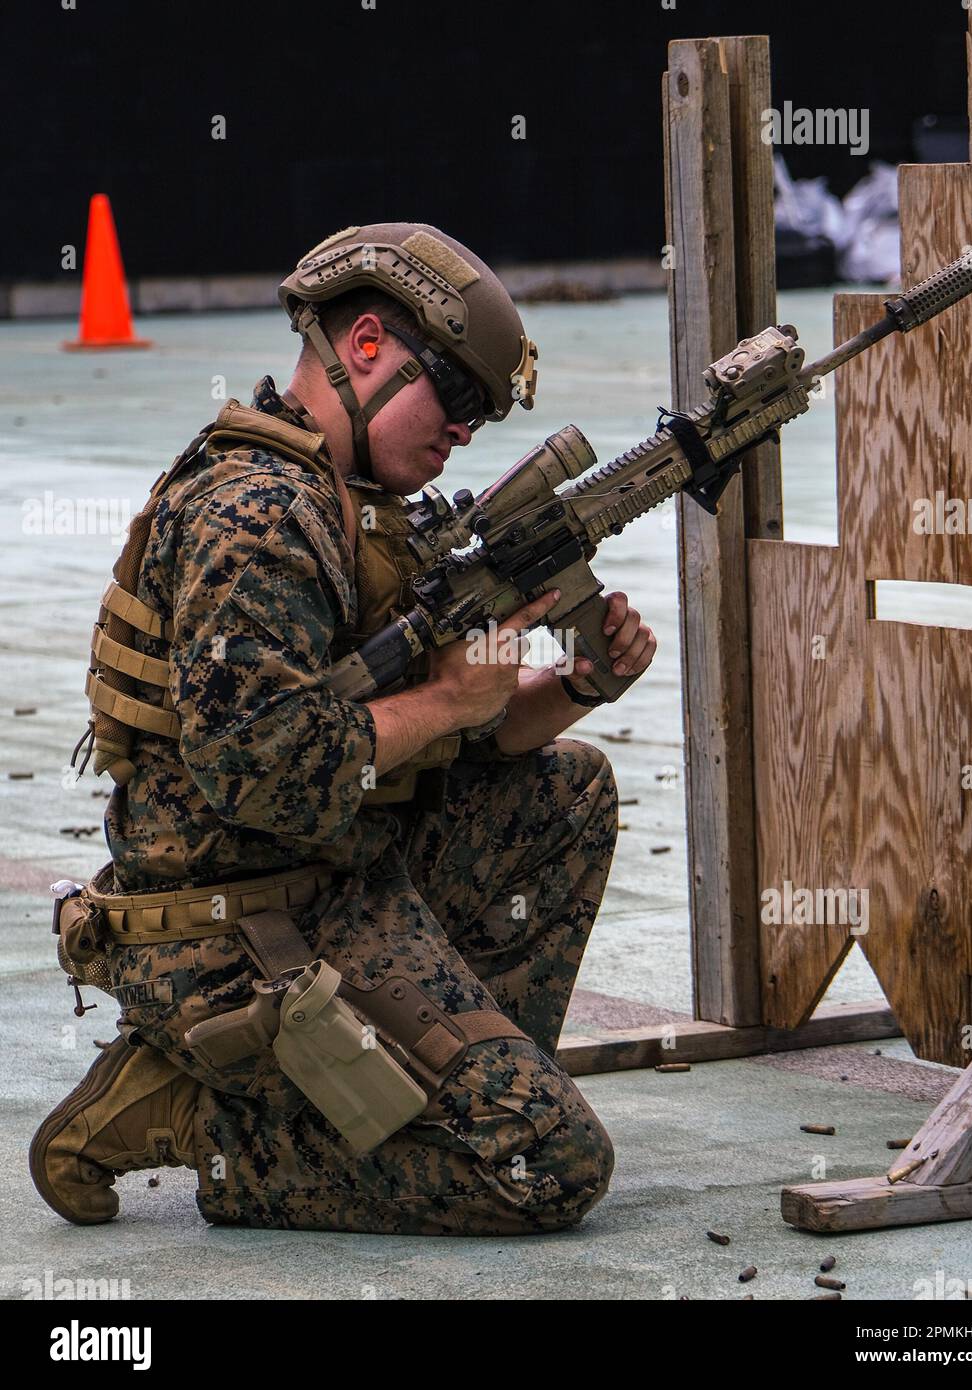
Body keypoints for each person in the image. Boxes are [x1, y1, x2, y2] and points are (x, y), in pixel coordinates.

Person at [31, 222, 657, 1235]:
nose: (459, 434)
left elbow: (439, 742)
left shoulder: (354, 506)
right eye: (450, 397)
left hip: (329, 869)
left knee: (565, 789)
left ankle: (427, 1092)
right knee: (546, 1165)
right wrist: (452, 696)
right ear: (363, 346)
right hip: (232, 926)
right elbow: (259, 771)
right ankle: (209, 1120)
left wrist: (572, 687)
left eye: (477, 417)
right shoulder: (260, 514)